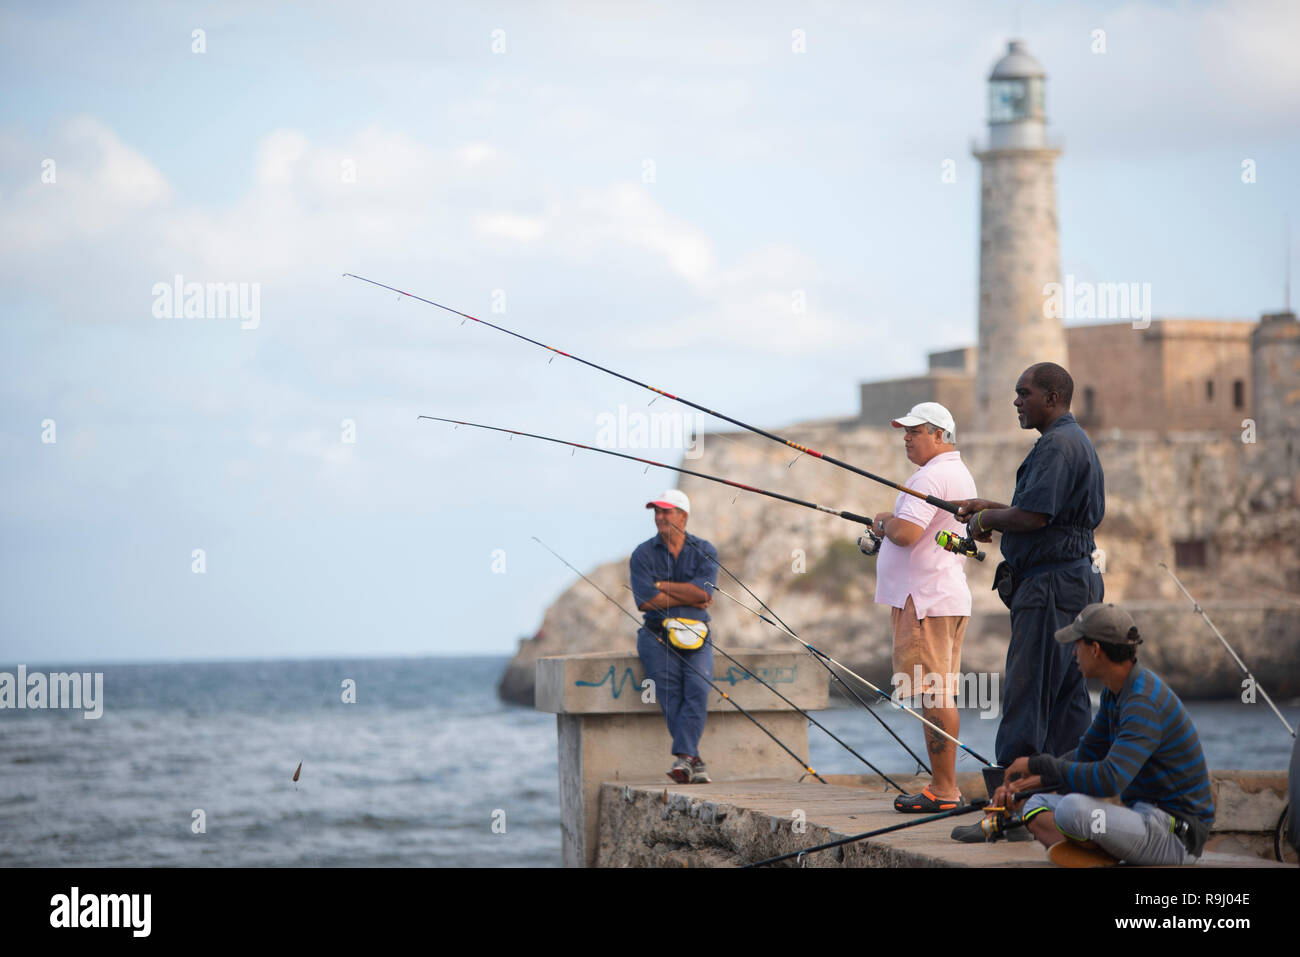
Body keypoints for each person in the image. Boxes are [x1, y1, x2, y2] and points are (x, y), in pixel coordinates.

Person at [950, 362, 1105, 842]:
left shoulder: (1057, 445)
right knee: (1066, 700)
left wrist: (982, 523)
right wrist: (993, 509)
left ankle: (1010, 812)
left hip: (1051, 588)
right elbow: (1048, 516)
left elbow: (1036, 517)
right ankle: (1059, 808)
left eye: (1024, 393)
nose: (1017, 401)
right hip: (1075, 583)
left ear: (1053, 397)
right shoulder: (1074, 442)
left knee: (1028, 693)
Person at [989, 603, 1215, 866]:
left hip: (1175, 835)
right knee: (1034, 804)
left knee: (1071, 810)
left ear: (1095, 649)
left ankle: (1102, 857)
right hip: (1142, 817)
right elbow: (1087, 753)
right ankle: (1102, 858)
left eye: (1077, 644)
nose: (1073, 652)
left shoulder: (1142, 702)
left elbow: (1110, 779)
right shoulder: (1116, 690)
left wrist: (1037, 764)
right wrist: (1025, 785)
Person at [872, 402, 977, 813]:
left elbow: (907, 533)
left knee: (934, 694)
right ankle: (944, 786)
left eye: (915, 431)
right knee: (941, 692)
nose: (906, 438)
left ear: (939, 435)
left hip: (923, 604)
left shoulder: (932, 476)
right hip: (943, 598)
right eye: (905, 431)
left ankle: (944, 791)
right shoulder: (956, 472)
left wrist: (883, 522)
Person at [629, 489, 719, 785]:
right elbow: (644, 600)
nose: (659, 517)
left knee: (697, 688)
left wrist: (663, 586)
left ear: (683, 515)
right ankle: (691, 759)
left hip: (697, 634)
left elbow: (705, 592)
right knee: (670, 695)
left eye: (666, 512)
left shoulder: (705, 549)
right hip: (656, 635)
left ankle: (688, 759)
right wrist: (690, 596)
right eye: (656, 512)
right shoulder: (642, 553)